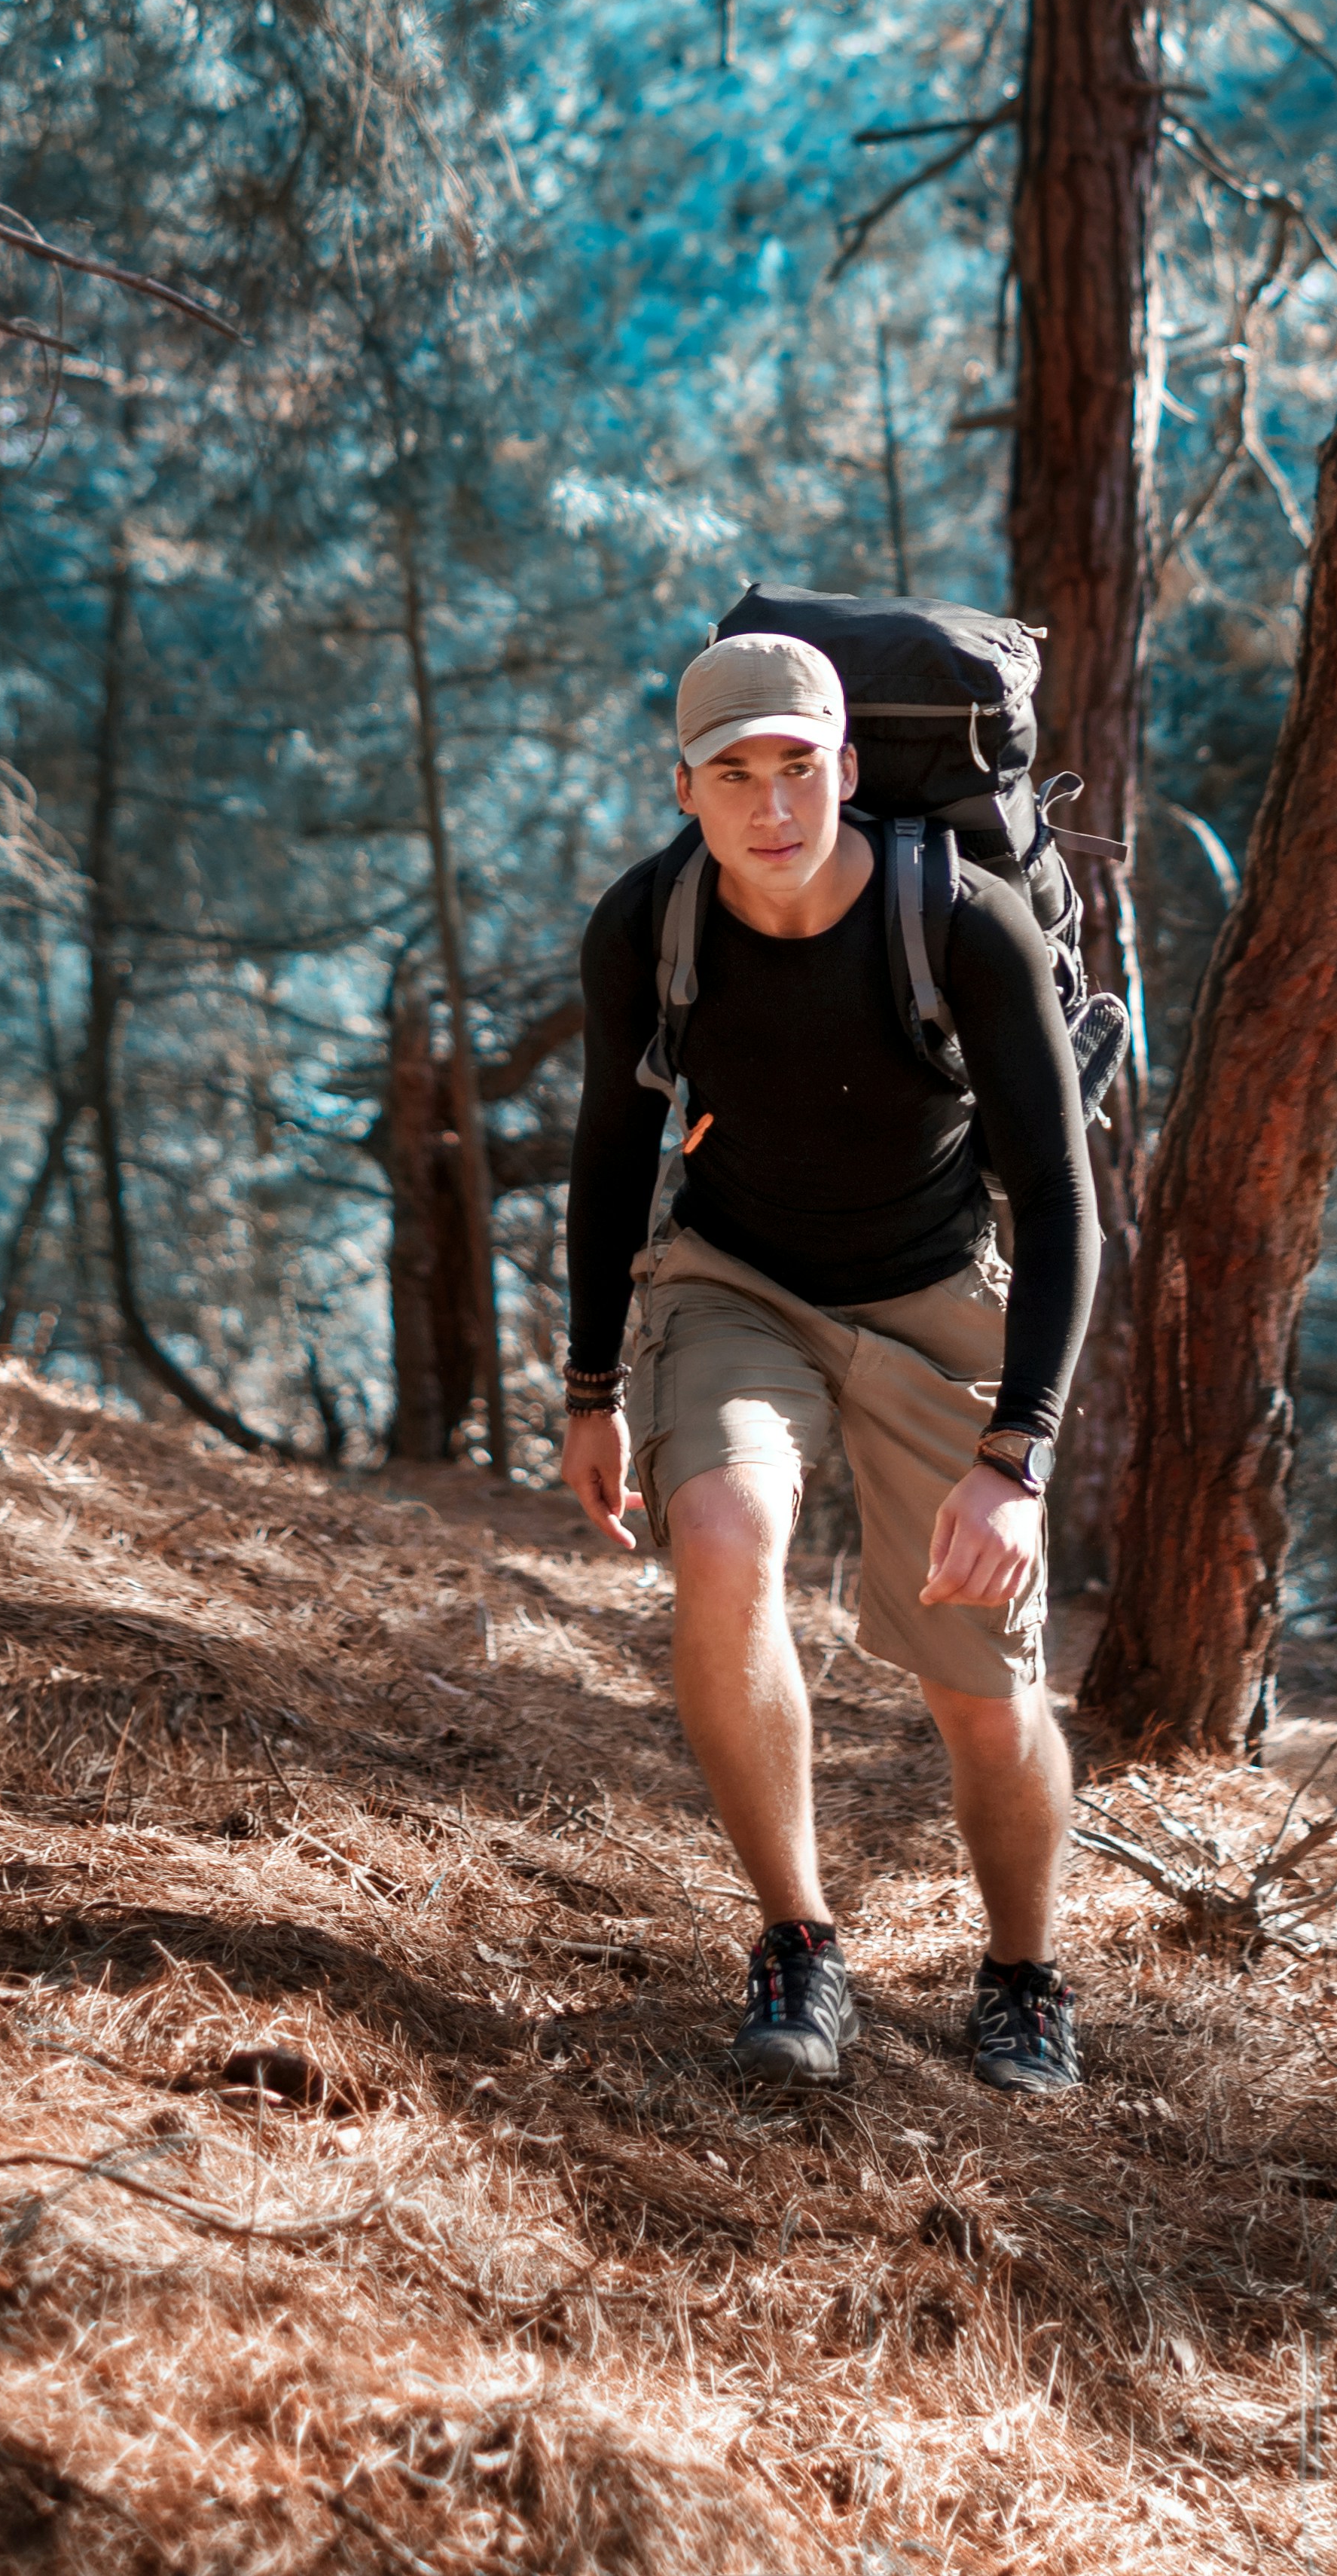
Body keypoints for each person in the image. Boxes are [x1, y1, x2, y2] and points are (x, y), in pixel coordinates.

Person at [558, 630, 1100, 2095]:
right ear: (685, 790)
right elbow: (613, 1151)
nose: (771, 805)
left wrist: (1016, 1461)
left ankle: (1023, 1971)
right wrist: (588, 1386)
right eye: (734, 775)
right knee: (724, 1529)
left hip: (933, 1298)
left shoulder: (961, 921)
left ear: (846, 770)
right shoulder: (648, 927)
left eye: (797, 767)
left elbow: (1058, 1197)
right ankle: (799, 1940)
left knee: (987, 1693)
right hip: (735, 1282)